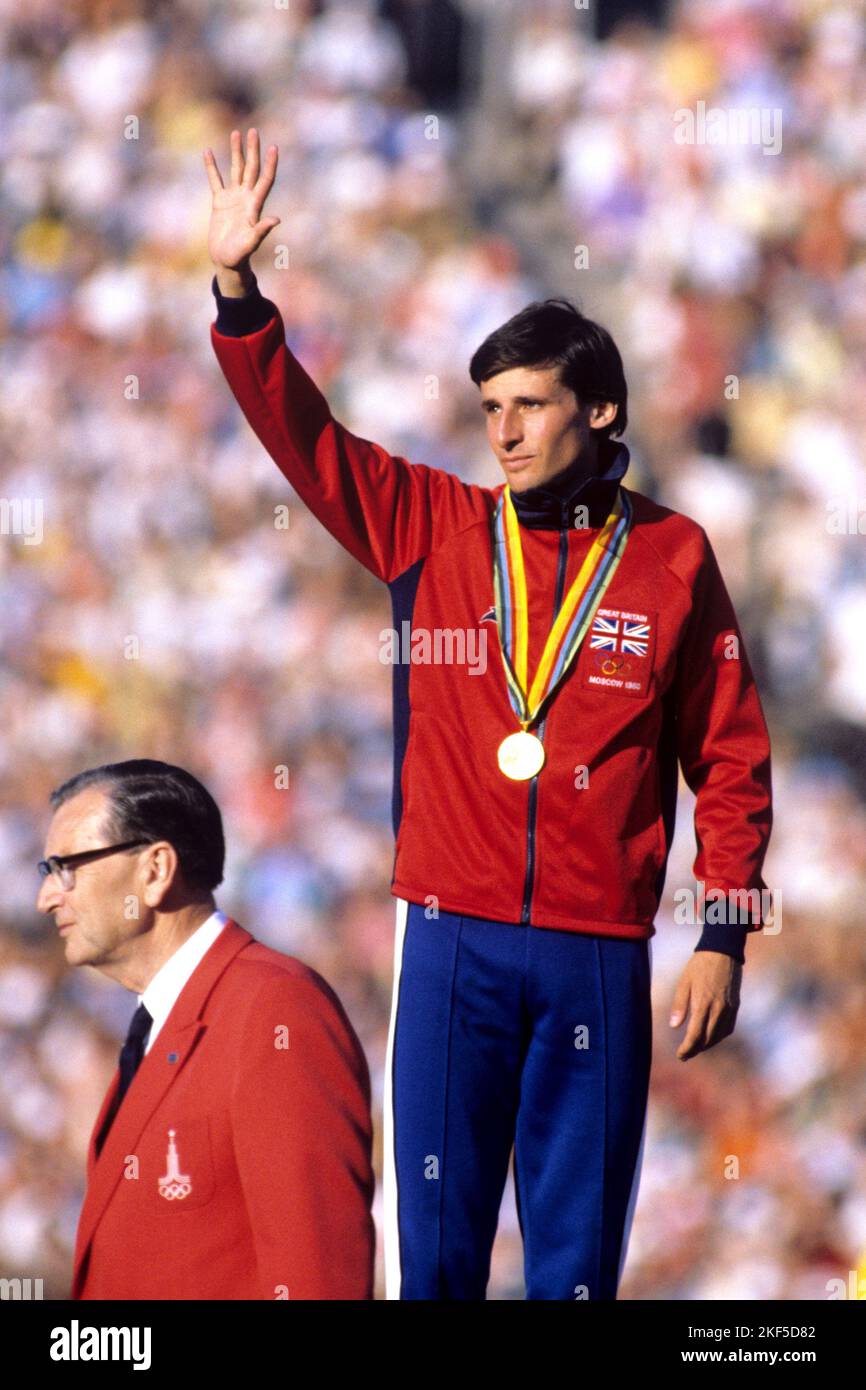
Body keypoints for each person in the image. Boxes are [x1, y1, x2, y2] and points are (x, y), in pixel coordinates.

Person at [202, 129, 773, 1300]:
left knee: (574, 1270)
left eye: (527, 404)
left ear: (599, 411)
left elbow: (727, 756)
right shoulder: (433, 526)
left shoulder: (671, 557)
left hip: (600, 950)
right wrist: (237, 295)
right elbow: (309, 446)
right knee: (436, 1253)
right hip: (451, 931)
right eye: (486, 407)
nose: (500, 431)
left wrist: (721, 933)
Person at [37, 758, 375, 1300]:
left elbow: (316, 1271)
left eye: (67, 868)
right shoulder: (157, 1023)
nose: (48, 897)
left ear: (154, 871)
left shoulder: (273, 1007)